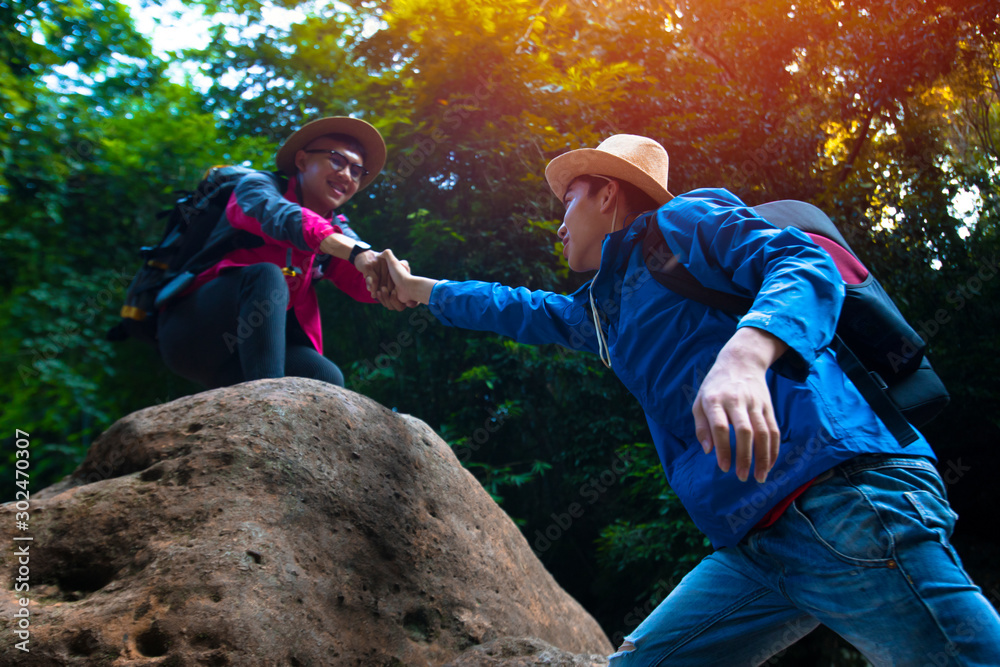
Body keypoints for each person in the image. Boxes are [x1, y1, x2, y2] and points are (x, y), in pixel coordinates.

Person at [378, 135, 1000, 665]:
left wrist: (745, 355)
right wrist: (419, 289)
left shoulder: (682, 224)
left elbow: (802, 260)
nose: (559, 223)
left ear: (607, 194)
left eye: (568, 201)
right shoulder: (601, 312)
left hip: (841, 494)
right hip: (753, 548)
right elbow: (511, 306)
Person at [158, 116, 405, 389]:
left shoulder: (338, 229)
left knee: (324, 377)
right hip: (192, 334)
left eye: (356, 171)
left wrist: (395, 283)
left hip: (245, 356)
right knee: (266, 276)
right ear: (302, 160)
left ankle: (263, 398)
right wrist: (355, 251)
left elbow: (362, 277)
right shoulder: (256, 187)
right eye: (337, 160)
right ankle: (269, 404)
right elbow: (284, 218)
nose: (347, 175)